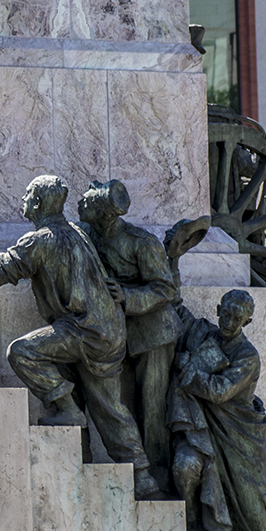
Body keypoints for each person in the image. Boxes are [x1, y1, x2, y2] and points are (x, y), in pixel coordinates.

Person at [0, 176, 161, 499]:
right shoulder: (78, 231)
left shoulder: (38, 242)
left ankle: (68, 409)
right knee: (109, 407)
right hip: (108, 330)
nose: (22, 200)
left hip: (83, 330)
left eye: (26, 194)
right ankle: (142, 477)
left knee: (21, 353)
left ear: (36, 203)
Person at [168, 289, 266, 531]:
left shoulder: (248, 356)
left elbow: (220, 391)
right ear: (219, 309)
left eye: (237, 318)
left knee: (252, 506)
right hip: (205, 431)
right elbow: (175, 306)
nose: (229, 322)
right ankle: (197, 523)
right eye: (227, 313)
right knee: (186, 468)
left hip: (242, 438)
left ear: (247, 322)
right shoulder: (203, 334)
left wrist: (188, 370)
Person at [78, 180, 185, 484]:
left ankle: (161, 480)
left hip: (153, 335)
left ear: (102, 213)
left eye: (87, 203)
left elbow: (165, 289)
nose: (80, 205)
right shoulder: (86, 234)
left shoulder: (140, 241)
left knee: (152, 410)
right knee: (123, 404)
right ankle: (138, 474)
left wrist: (127, 295)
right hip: (114, 335)